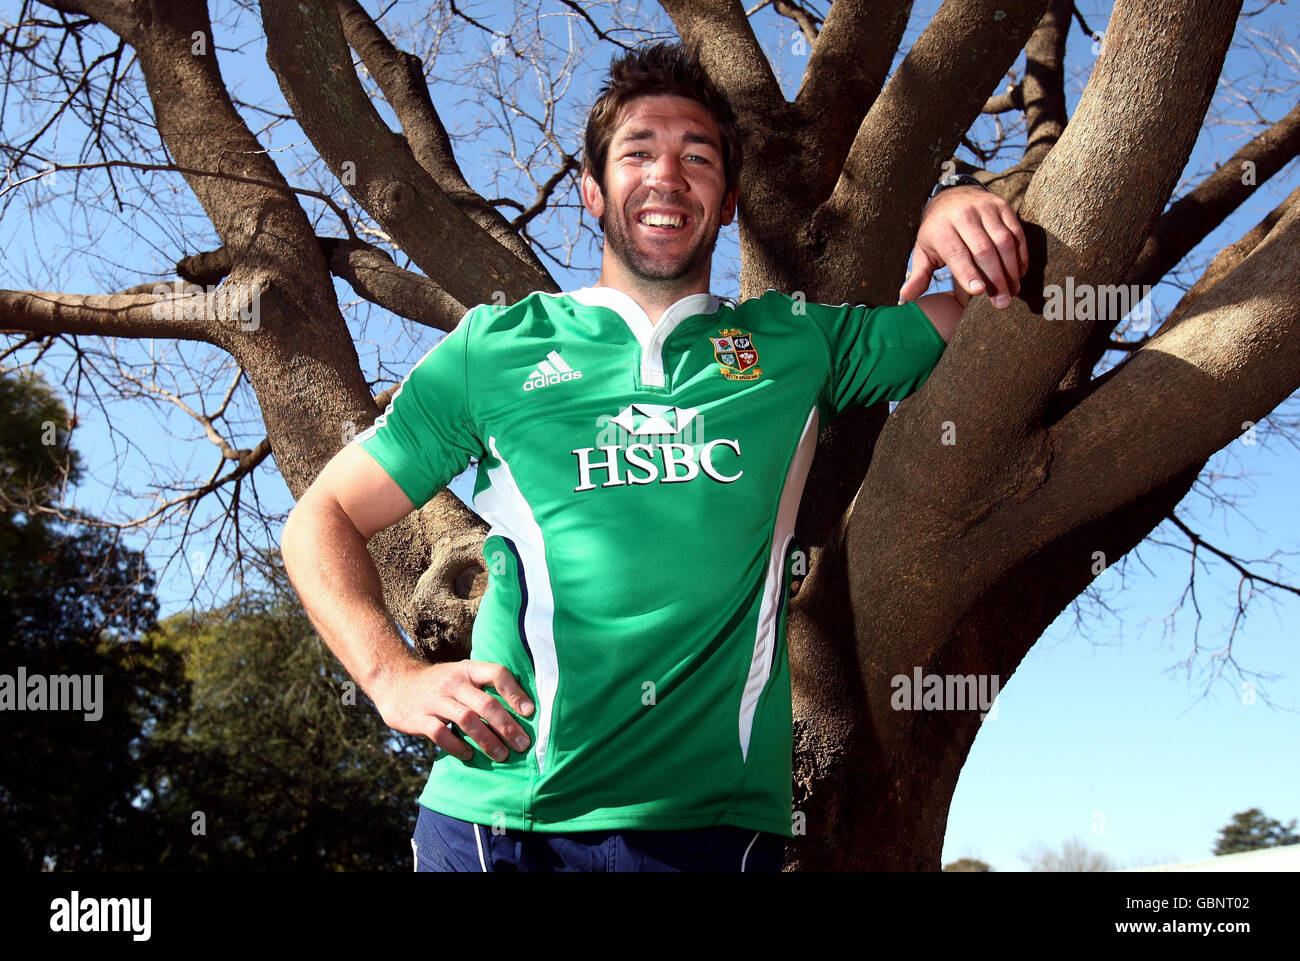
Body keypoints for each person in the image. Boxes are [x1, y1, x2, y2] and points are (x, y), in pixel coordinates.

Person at [279, 41, 1027, 872]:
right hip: (493, 821)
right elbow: (323, 516)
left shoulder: (793, 342)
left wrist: (955, 208)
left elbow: (982, 315)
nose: (667, 176)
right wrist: (389, 675)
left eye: (698, 157)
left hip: (709, 833)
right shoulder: (495, 348)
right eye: (638, 152)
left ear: (730, 200)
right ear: (595, 191)